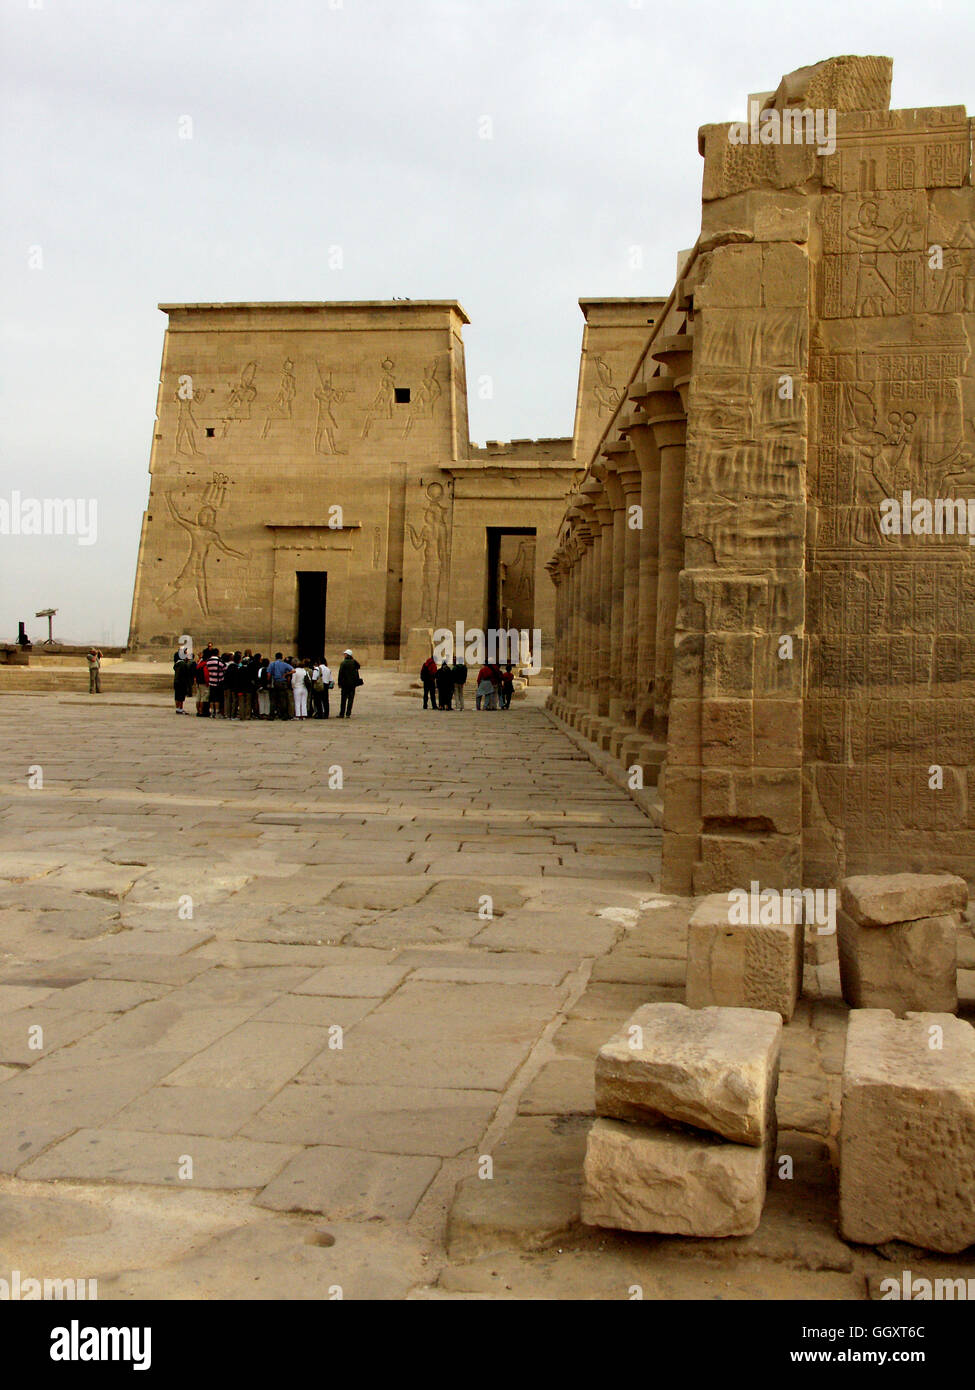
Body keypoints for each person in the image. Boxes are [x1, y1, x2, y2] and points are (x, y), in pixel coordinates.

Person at [266, 652, 294, 720]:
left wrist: (268, 681)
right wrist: (286, 674)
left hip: (275, 682)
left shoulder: (272, 664)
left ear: (275, 657)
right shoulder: (285, 664)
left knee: (273, 700)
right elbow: (293, 670)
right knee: (283, 699)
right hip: (283, 682)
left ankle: (271, 715)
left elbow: (269, 675)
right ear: (282, 657)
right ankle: (284, 715)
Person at [336, 649, 360, 718]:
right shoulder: (354, 662)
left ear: (347, 655)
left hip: (345, 684)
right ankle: (348, 713)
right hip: (352, 684)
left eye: (345, 654)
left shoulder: (344, 663)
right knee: (350, 699)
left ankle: (342, 713)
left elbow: (340, 674)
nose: (344, 655)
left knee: (343, 699)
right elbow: (358, 666)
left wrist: (339, 683)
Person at [173, 648, 195, 712]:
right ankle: (180, 708)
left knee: (177, 695)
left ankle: (178, 708)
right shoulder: (183, 664)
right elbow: (186, 673)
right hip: (181, 682)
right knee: (181, 696)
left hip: (177, 681)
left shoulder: (177, 663)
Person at [206, 650, 227, 716]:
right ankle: (217, 712)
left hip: (211, 681)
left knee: (212, 698)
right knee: (217, 698)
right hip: (218, 681)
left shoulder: (208, 661)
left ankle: (212, 711)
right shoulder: (219, 661)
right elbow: (225, 668)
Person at [223, 651, 240, 719]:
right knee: (234, 701)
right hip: (233, 686)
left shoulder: (228, 667)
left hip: (227, 686)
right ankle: (233, 715)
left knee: (227, 700)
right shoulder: (236, 667)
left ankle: (227, 714)